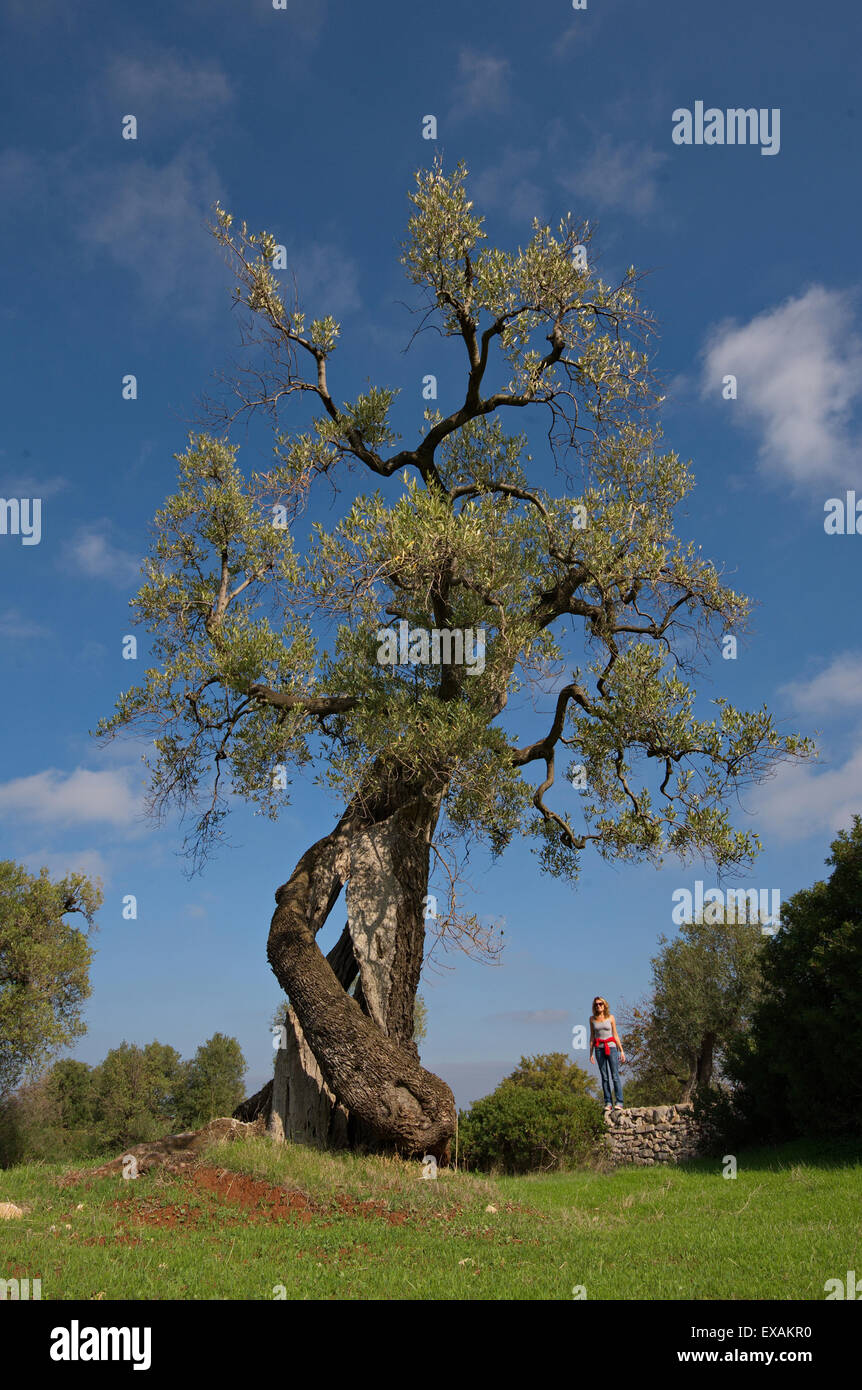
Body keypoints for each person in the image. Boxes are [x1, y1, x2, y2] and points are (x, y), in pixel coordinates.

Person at [589, 995, 625, 1111]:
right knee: (604, 1077)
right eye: (596, 1004)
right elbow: (592, 1036)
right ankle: (608, 1102)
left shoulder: (611, 1018)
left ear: (604, 1005)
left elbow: (615, 1035)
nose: (598, 1006)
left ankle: (619, 1102)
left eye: (600, 1004)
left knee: (615, 1075)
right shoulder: (592, 1019)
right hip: (599, 1049)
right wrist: (591, 1053)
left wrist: (621, 1051)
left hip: (611, 1047)